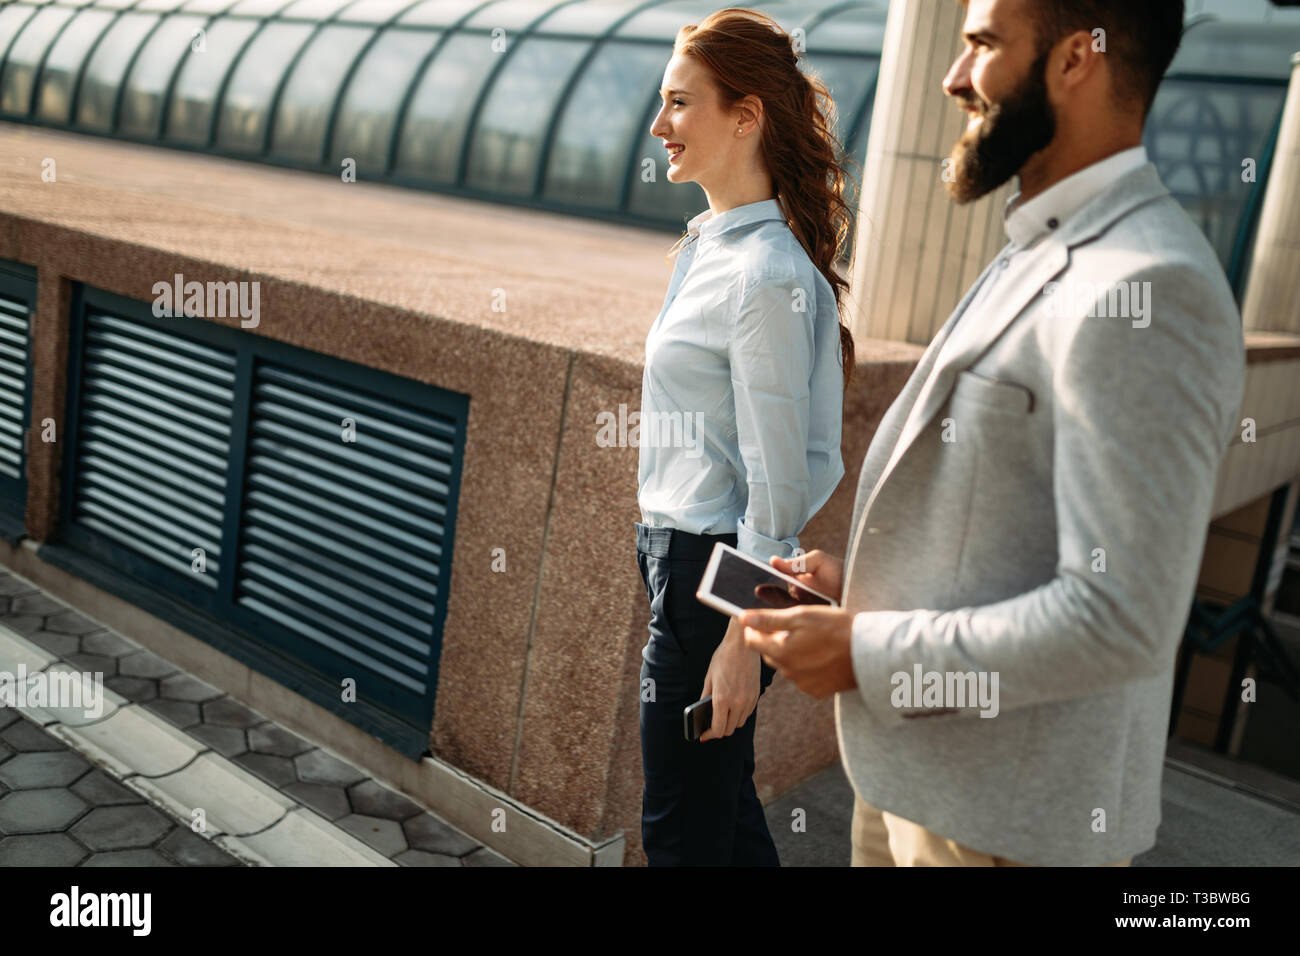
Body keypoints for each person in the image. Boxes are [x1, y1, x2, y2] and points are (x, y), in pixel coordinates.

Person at [742, 0, 1245, 866]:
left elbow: (1119, 617)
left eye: (982, 44)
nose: (953, 77)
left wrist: (868, 650)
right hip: (916, 791)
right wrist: (867, 591)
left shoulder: (1149, 288)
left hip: (1002, 830)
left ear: (1075, 61)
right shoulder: (1042, 238)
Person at [634, 7, 854, 866]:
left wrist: (739, 639)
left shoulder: (764, 274)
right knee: (720, 822)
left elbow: (780, 481)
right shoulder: (711, 248)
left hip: (712, 578)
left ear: (746, 115)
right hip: (682, 562)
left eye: (681, 103)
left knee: (678, 833)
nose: (661, 125)